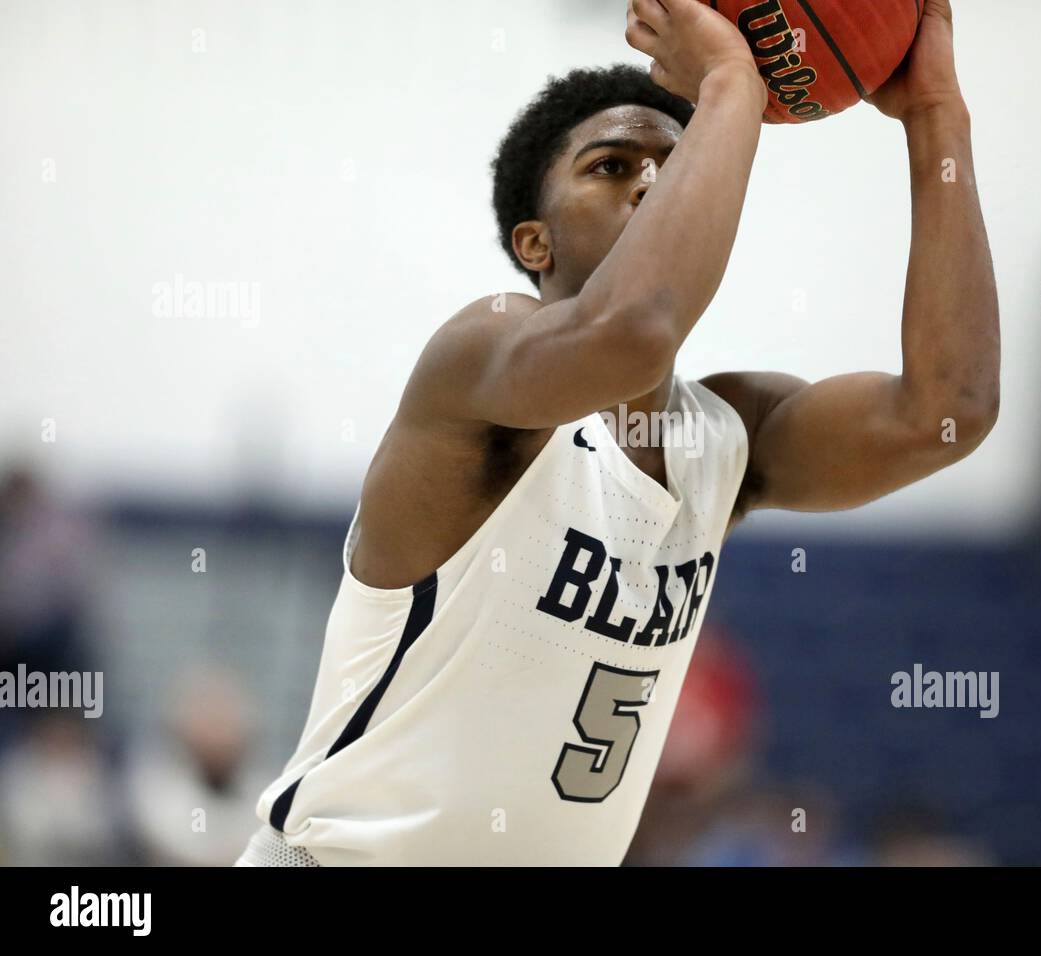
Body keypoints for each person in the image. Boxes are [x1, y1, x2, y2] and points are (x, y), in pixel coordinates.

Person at [238, 0, 998, 866]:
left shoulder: (726, 437)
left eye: (673, 168)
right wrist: (727, 82)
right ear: (535, 241)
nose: (649, 181)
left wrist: (939, 115)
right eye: (611, 166)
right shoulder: (476, 359)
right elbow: (634, 329)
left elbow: (948, 412)